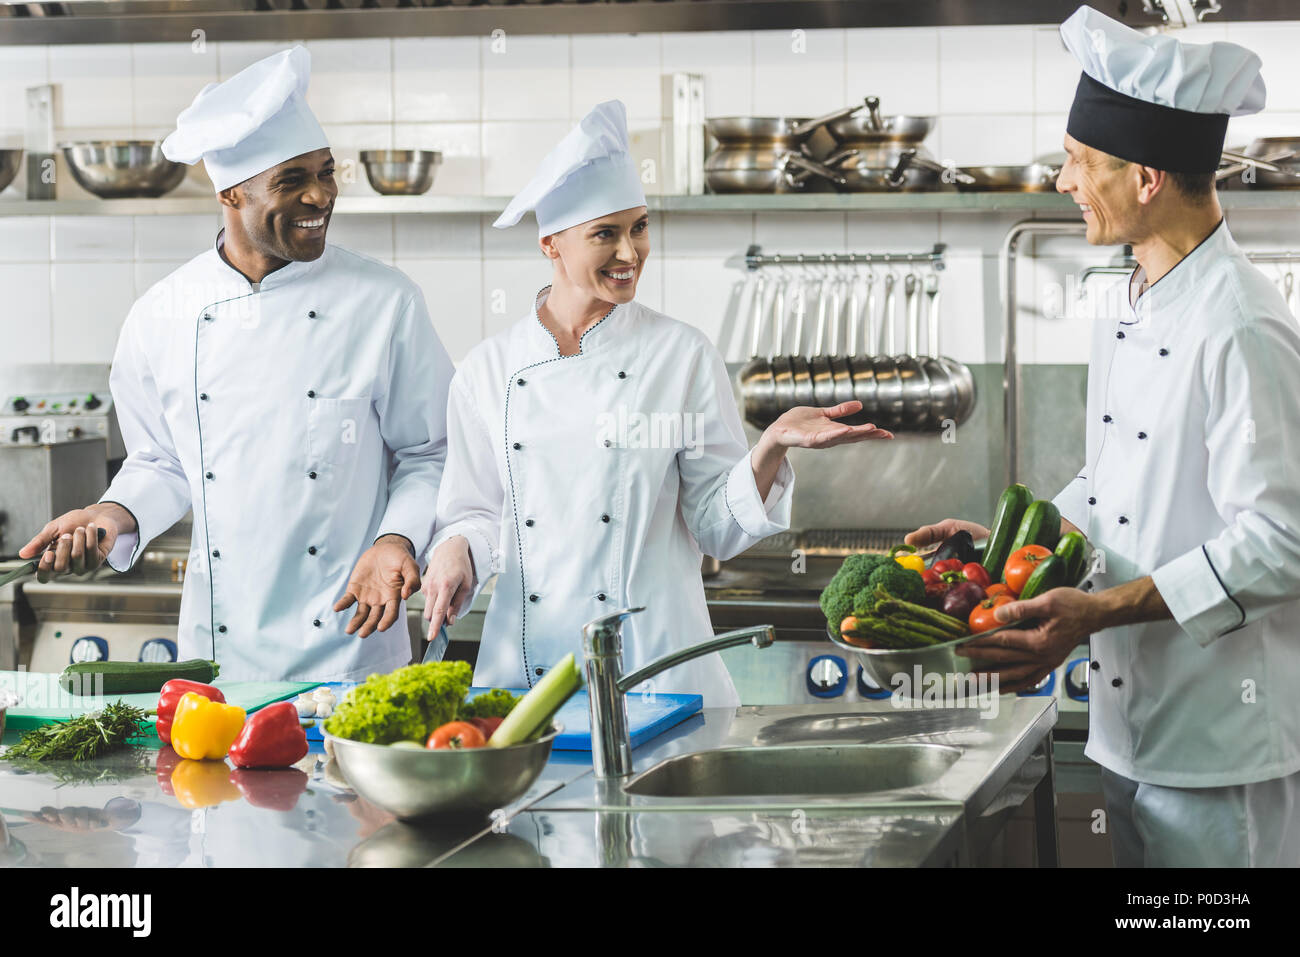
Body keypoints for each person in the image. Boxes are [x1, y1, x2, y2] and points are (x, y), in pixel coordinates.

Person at [908, 6, 1300, 867]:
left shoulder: (1240, 325)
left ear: (1148, 177)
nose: (1062, 181)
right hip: (1130, 736)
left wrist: (1101, 610)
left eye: (1080, 162)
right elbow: (1116, 477)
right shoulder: (1130, 296)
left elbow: (1282, 543)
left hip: (1217, 750)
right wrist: (1021, 541)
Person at [421, 101, 892, 706]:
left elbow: (716, 529)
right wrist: (455, 548)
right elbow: (475, 513)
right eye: (605, 234)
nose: (630, 252)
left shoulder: (681, 355)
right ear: (551, 245)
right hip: (523, 686)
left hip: (656, 678)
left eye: (639, 227)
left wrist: (770, 445)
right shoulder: (486, 370)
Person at [18, 47, 454, 682]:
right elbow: (163, 463)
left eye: (326, 172)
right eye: (292, 180)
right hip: (218, 661)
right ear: (229, 192)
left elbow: (430, 453)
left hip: (351, 648)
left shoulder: (384, 302)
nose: (320, 195)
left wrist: (396, 539)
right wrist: (113, 515)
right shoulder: (161, 314)